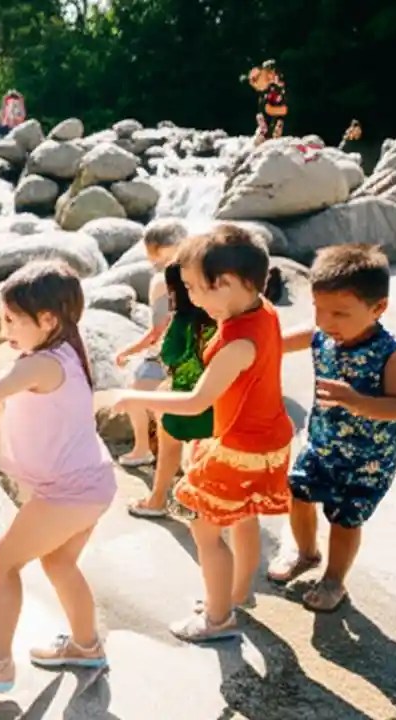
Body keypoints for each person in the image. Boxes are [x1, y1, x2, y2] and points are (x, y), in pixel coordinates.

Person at [0, 261, 115, 693]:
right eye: (2, 319)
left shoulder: (40, 365)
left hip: (69, 492)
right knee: (59, 562)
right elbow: (0, 374)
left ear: (48, 320)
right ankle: (86, 646)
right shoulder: (64, 349)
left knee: (3, 561)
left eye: (12, 320)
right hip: (91, 481)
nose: (4, 329)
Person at [113, 224, 292, 642]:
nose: (190, 298)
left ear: (228, 283)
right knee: (243, 517)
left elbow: (196, 400)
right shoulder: (261, 309)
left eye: (195, 288)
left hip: (238, 446)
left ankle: (217, 618)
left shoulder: (236, 342)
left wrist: (138, 398)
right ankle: (236, 594)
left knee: (205, 529)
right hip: (268, 440)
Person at [267, 245, 396, 612]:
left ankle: (334, 579)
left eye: (340, 313)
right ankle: (306, 552)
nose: (326, 321)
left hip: (369, 456)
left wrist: (356, 400)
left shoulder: (391, 353)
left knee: (345, 518)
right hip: (322, 441)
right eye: (318, 310)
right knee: (298, 493)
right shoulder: (322, 336)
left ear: (378, 308)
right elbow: (273, 344)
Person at [126, 262, 216, 519]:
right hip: (217, 402)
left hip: (182, 398)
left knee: (169, 449)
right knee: (203, 454)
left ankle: (157, 499)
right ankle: (200, 501)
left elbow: (169, 354)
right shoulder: (221, 319)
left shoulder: (183, 320)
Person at [112, 224, 182, 466]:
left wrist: (127, 351)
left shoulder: (162, 281)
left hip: (169, 359)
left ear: (156, 250)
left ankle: (142, 449)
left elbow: (157, 331)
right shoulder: (203, 273)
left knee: (134, 396)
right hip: (200, 355)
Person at [247, 60, 288, 144]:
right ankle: (265, 137)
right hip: (268, 105)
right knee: (265, 122)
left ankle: (272, 137)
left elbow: (280, 88)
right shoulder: (265, 78)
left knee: (276, 123)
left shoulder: (276, 78)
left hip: (275, 104)